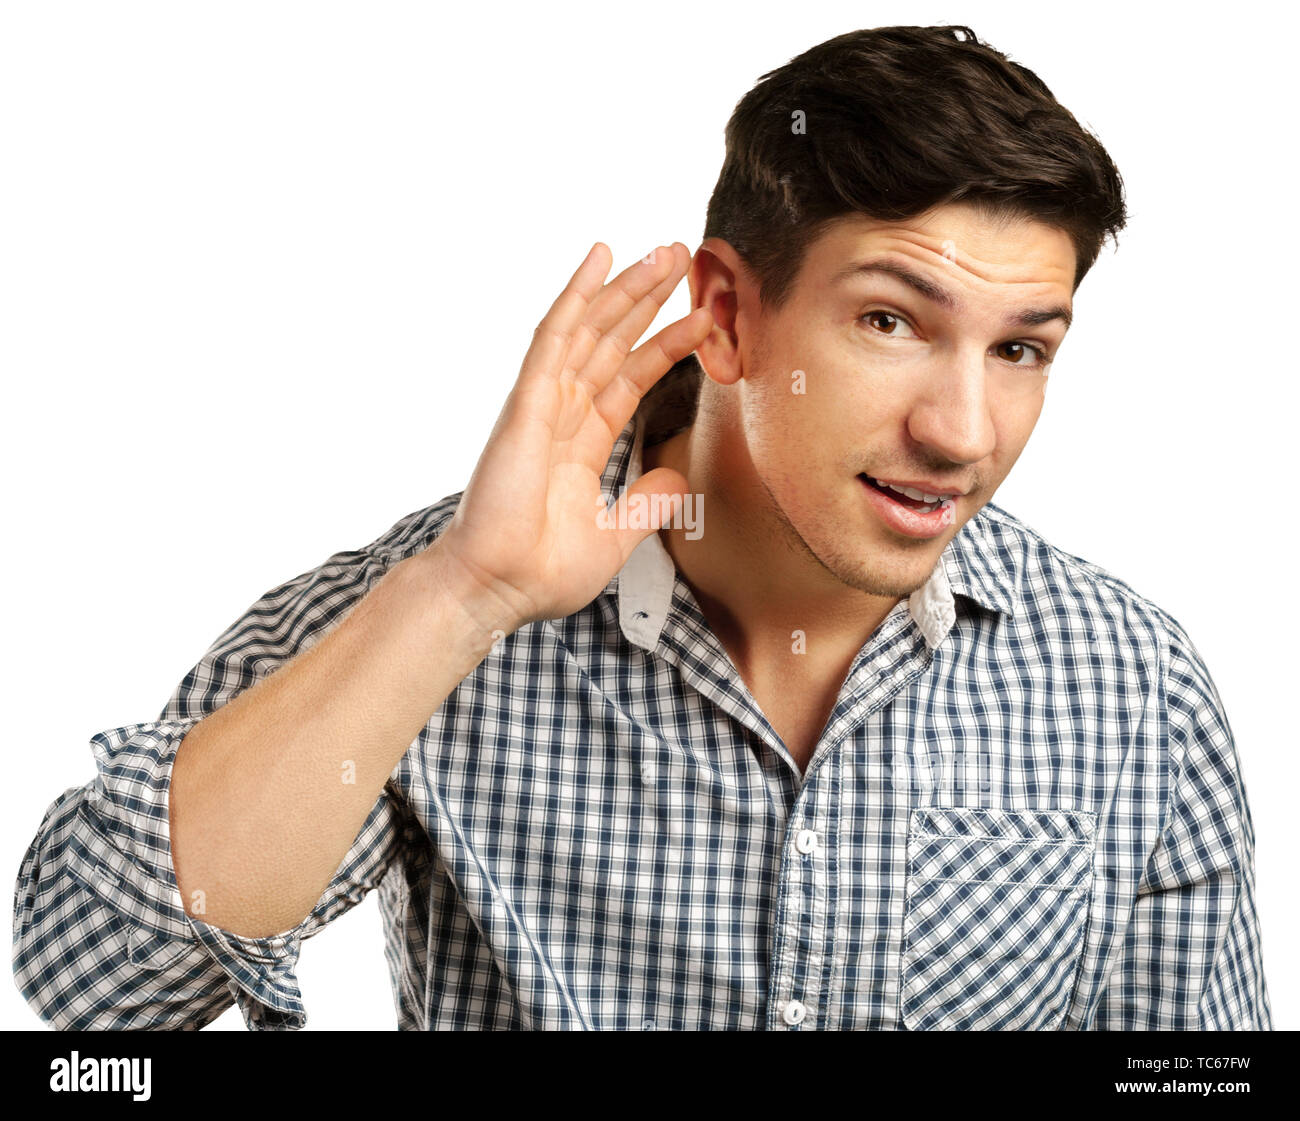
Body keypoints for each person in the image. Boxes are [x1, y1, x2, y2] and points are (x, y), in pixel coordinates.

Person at [13, 24, 1271, 1031]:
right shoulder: (435, 608)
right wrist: (462, 600)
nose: (962, 430)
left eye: (1019, 349)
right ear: (725, 312)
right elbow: (99, 997)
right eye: (890, 321)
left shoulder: (1136, 686)